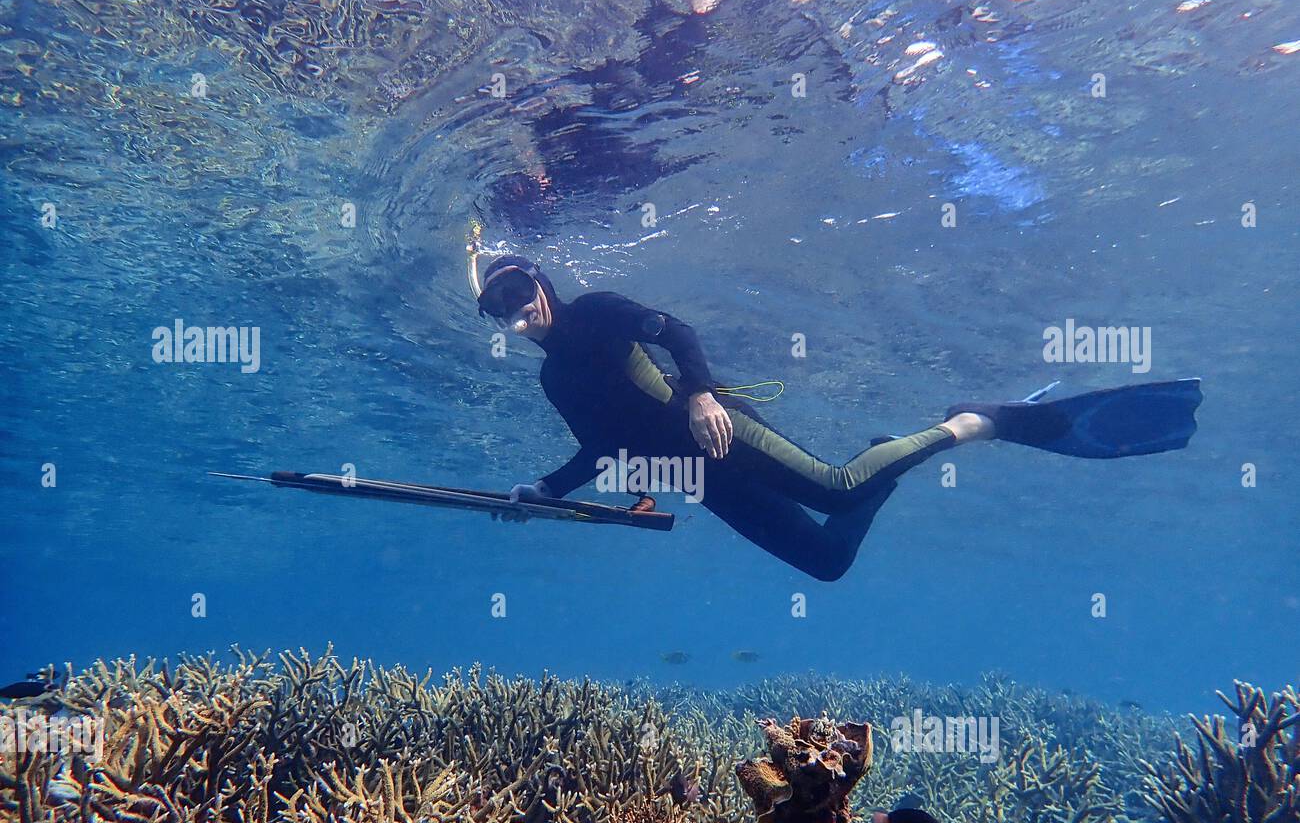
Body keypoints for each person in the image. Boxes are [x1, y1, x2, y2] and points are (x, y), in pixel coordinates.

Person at [475, 254, 1201, 581]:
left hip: (718, 429)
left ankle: (978, 422)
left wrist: (698, 394)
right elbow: (599, 450)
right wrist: (545, 490)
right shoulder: (552, 377)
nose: (516, 310)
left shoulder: (597, 310)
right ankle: (892, 453)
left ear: (539, 278)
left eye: (518, 290)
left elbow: (680, 334)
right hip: (699, 477)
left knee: (838, 488)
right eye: (498, 306)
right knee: (825, 562)